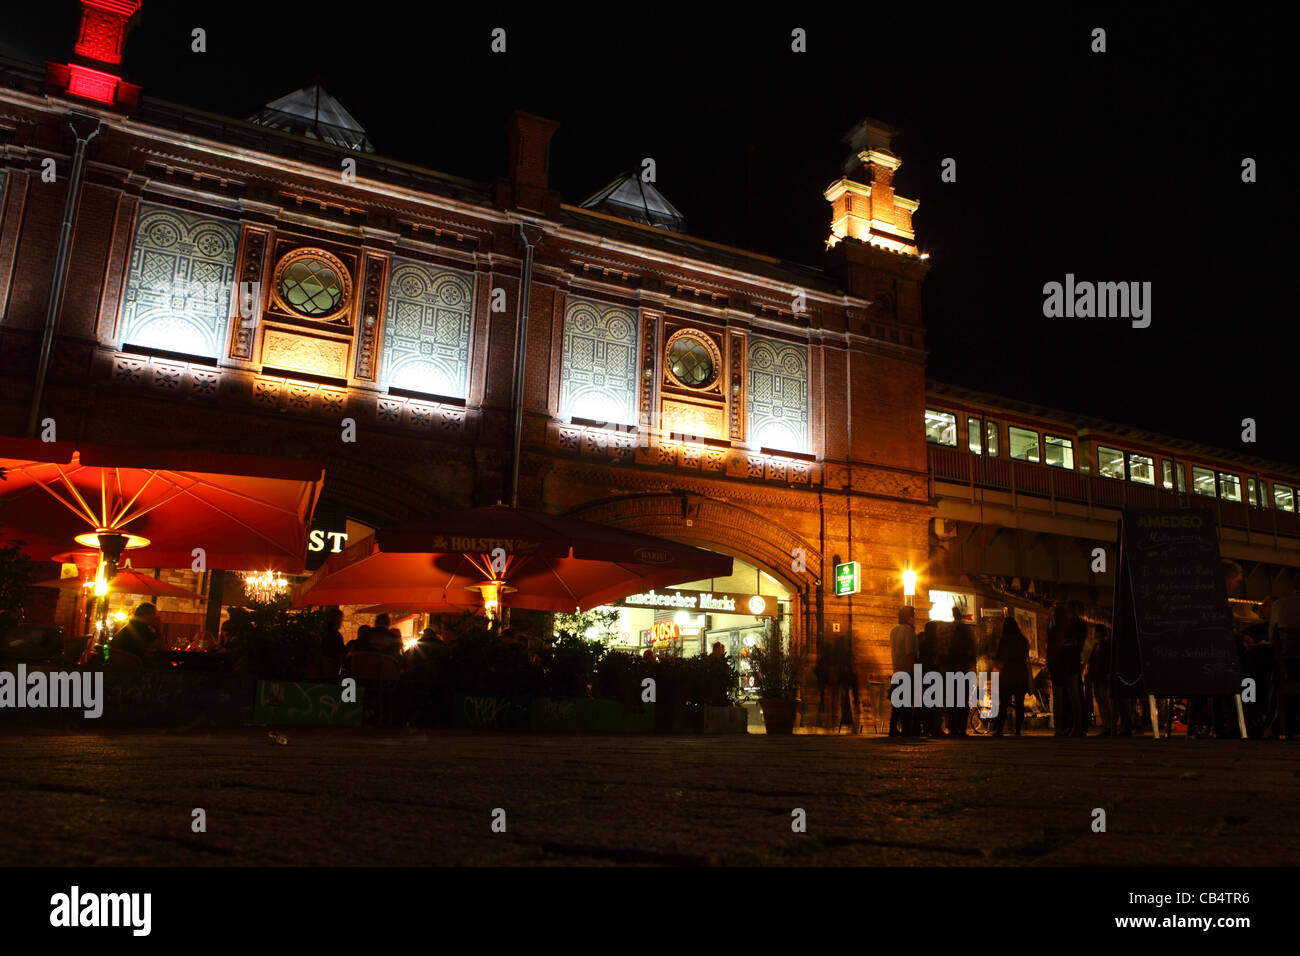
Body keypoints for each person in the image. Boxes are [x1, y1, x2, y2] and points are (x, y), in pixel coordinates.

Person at [1048, 603, 1085, 736]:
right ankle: (1077, 726)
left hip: (1058, 665)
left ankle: (1058, 728)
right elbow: (1077, 648)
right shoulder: (1073, 630)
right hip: (1071, 665)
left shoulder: (1053, 631)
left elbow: (1050, 650)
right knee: (1074, 695)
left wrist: (1050, 664)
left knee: (1058, 698)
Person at [992, 616, 1029, 736]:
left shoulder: (1005, 640)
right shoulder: (1023, 640)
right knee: (1020, 703)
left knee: (1004, 703)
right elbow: (1026, 655)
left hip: (1008, 674)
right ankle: (1018, 730)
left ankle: (1000, 729)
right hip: (1021, 673)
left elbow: (999, 656)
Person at [945, 605, 976, 737]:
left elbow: (944, 649)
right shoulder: (967, 630)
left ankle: (953, 728)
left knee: (952, 700)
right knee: (963, 701)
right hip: (964, 669)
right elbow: (973, 650)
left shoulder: (949, 630)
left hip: (951, 669)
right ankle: (962, 728)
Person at [888, 605, 918, 736]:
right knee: (907, 702)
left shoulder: (894, 630)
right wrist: (915, 670)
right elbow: (909, 653)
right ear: (910, 617)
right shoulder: (909, 631)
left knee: (897, 702)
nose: (915, 618)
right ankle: (907, 729)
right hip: (907, 670)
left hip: (897, 669)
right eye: (913, 615)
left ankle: (893, 727)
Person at [1086, 624, 1112, 735]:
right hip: (1097, 677)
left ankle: (1109, 726)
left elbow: (1105, 661)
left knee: (1104, 702)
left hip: (1102, 677)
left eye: (1095, 632)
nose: (1093, 634)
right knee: (1101, 701)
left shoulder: (1105, 646)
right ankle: (1107, 726)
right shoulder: (1097, 646)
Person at [918, 618, 942, 736]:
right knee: (935, 703)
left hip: (924, 676)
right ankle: (934, 728)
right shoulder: (935, 645)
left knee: (926, 703)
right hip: (933, 676)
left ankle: (927, 727)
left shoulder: (922, 645)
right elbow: (936, 660)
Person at [320, 608, 345, 677]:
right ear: (337, 620)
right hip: (331, 669)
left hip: (321, 669)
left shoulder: (321, 632)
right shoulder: (336, 635)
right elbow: (341, 653)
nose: (342, 622)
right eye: (341, 619)